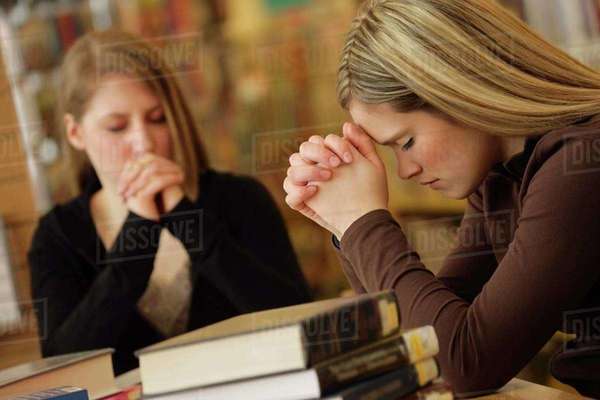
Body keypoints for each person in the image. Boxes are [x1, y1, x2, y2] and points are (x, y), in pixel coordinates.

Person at [284, 0, 600, 397]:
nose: (405, 171)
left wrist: (362, 222)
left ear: (463, 89)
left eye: (407, 142)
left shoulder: (581, 162)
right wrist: (346, 227)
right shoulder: (501, 180)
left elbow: (467, 363)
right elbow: (419, 340)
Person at [28, 30, 312, 375]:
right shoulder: (58, 236)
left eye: (157, 118)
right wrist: (139, 233)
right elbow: (66, 367)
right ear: (75, 133)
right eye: (117, 127)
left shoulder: (240, 198)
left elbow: (301, 322)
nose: (144, 142)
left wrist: (187, 221)